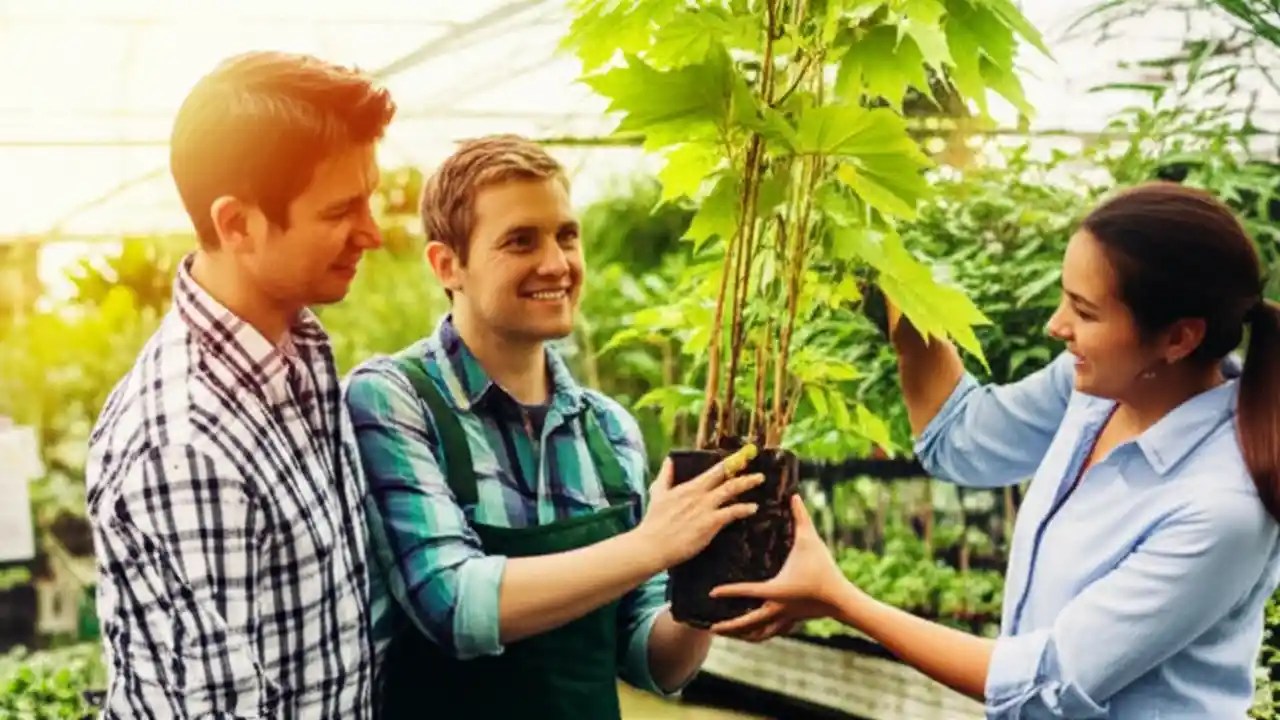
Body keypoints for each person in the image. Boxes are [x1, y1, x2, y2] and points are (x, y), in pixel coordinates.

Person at [708, 182, 1280, 718]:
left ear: (1179, 338)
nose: (1056, 326)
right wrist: (886, 269)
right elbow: (962, 439)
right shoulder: (1097, 390)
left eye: (1085, 312)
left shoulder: (1221, 508)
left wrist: (841, 600)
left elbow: (1047, 684)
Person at [345, 134, 763, 719]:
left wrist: (707, 583)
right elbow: (454, 604)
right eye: (521, 241)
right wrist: (649, 546)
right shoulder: (394, 401)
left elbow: (653, 661)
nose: (556, 263)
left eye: (567, 235)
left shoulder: (609, 431)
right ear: (448, 264)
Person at [85, 51, 395, 718]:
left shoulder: (297, 351)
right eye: (342, 209)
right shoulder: (185, 441)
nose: (371, 231)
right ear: (237, 224)